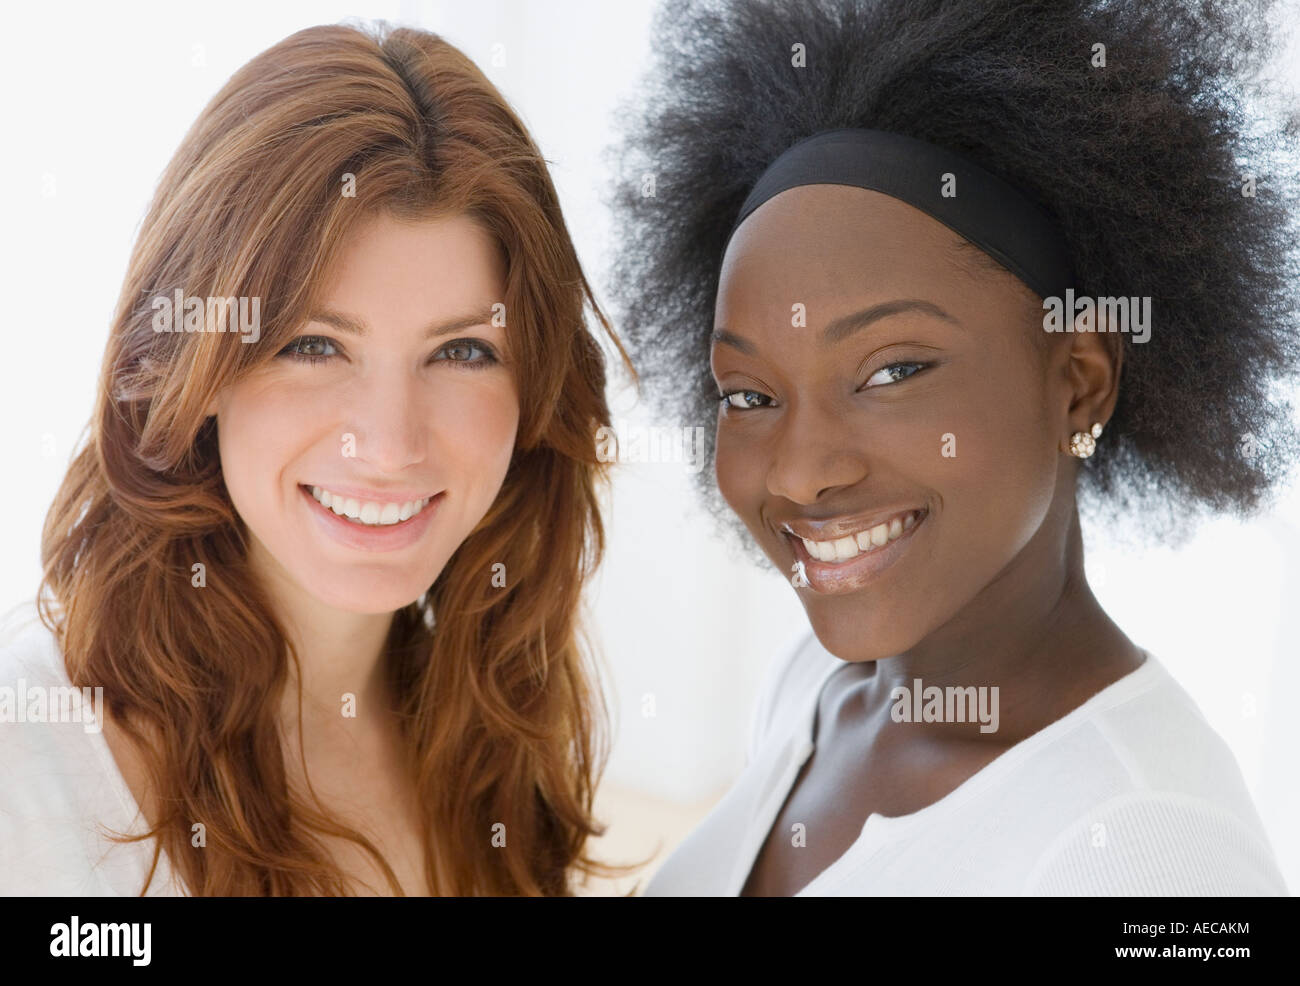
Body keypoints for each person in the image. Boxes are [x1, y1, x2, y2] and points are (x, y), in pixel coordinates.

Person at [610, 0, 1298, 895]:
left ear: (1078, 380)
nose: (799, 473)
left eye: (893, 372)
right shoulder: (820, 682)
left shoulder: (1152, 854)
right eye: (750, 395)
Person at [0, 21, 630, 896]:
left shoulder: (495, 754)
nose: (387, 444)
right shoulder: (25, 757)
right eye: (313, 345)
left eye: (462, 353)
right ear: (197, 369)